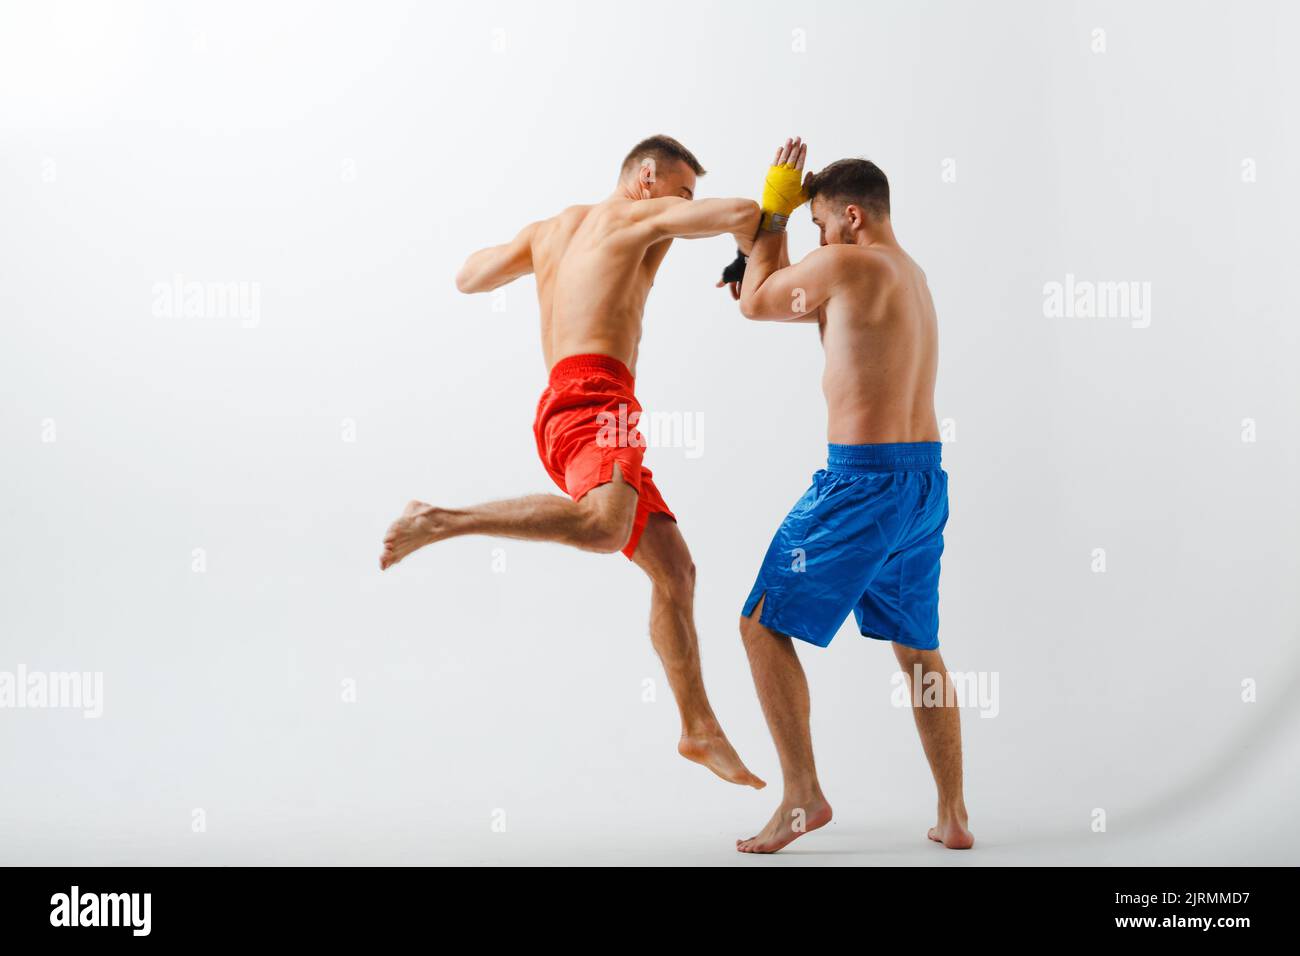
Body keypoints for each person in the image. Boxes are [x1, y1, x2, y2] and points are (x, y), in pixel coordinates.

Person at [380, 135, 765, 789]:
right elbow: (745, 214)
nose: (682, 206)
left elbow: (468, 276)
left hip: (566, 404)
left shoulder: (550, 230)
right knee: (606, 526)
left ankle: (697, 727)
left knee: (676, 571)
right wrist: (745, 253)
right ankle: (439, 518)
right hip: (599, 402)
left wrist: (543, 260)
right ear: (646, 175)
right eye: (680, 190)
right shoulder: (637, 214)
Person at [729, 138, 973, 852]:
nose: (818, 241)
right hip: (922, 485)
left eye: (820, 227)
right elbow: (782, 299)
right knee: (918, 650)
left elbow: (754, 306)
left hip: (859, 485)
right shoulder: (908, 274)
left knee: (759, 624)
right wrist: (759, 271)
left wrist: (772, 212)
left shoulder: (847, 263)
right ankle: (953, 814)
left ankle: (803, 796)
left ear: (853, 218)